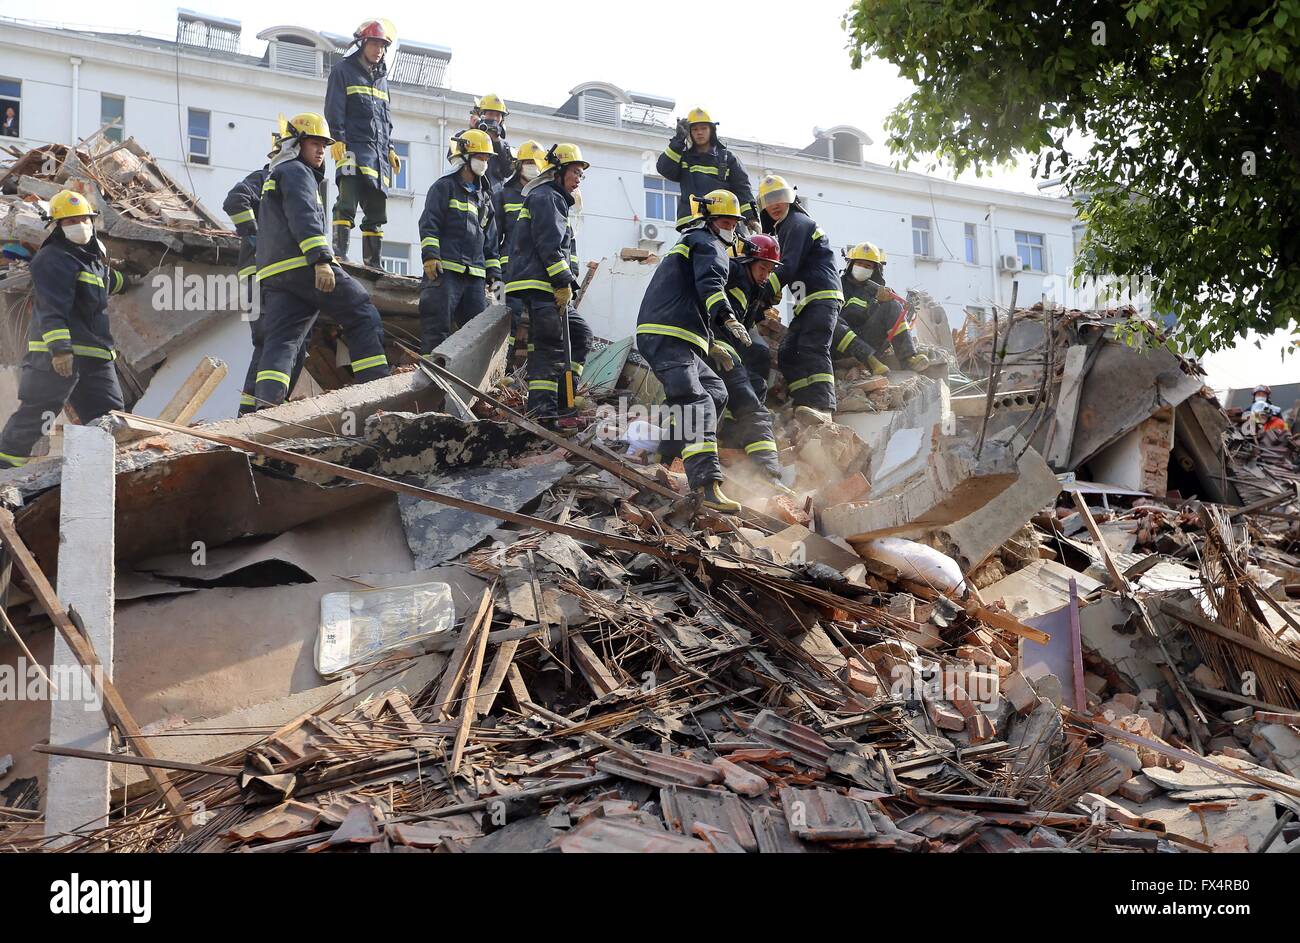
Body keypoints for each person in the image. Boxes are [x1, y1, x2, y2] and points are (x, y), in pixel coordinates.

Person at [251, 112, 390, 408]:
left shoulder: (277, 174)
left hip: (275, 274)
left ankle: (264, 407)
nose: (321, 151)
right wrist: (321, 260)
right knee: (362, 311)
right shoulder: (297, 172)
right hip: (303, 265)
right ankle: (378, 394)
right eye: (314, 143)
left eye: (324, 145)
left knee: (283, 341)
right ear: (296, 144)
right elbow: (303, 218)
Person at [636, 189, 752, 513]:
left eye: (733, 222)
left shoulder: (696, 243)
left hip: (676, 333)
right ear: (709, 220)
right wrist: (727, 318)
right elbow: (710, 286)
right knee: (695, 401)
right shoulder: (707, 243)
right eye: (725, 221)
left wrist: (711, 343)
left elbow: (690, 297)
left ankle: (666, 458)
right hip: (667, 335)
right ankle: (706, 485)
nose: (731, 228)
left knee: (715, 391)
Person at [0, 190, 128, 467]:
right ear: (57, 226)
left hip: (95, 356)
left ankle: (96, 472)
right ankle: (5, 471)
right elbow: (51, 308)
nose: (80, 225)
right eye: (70, 221)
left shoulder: (92, 261)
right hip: (56, 357)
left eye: (83, 218)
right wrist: (60, 350)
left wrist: (131, 281)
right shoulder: (51, 259)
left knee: (110, 416)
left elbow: (107, 282)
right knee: (37, 416)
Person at [504, 143, 592, 425]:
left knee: (580, 335)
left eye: (581, 174)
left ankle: (565, 399)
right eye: (575, 172)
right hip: (540, 283)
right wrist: (563, 281)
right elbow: (548, 245)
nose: (578, 178)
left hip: (547, 283)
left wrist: (565, 282)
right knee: (548, 347)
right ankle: (543, 412)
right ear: (558, 171)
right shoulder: (547, 197)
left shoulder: (555, 199)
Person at [223, 139, 309, 414]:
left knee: (290, 343)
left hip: (275, 273)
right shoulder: (265, 177)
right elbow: (235, 200)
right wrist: (256, 236)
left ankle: (262, 409)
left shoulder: (296, 181)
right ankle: (256, 413)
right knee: (269, 340)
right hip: (259, 274)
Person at [757, 174, 842, 425]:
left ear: (791, 198)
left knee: (814, 347)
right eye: (768, 199)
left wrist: (759, 294)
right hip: (806, 302)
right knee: (788, 352)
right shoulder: (784, 230)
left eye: (779, 197)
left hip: (822, 296)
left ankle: (823, 408)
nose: (774, 204)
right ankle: (804, 403)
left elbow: (787, 266)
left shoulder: (797, 222)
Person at [325, 18, 399, 268]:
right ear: (362, 43)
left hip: (378, 157)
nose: (379, 50)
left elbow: (385, 119)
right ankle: (339, 253)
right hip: (351, 150)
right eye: (375, 44)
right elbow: (334, 108)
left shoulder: (382, 79)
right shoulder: (343, 71)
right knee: (346, 203)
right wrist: (337, 138)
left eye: (382, 46)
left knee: (377, 212)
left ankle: (373, 264)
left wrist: (389, 148)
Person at [715, 234, 786, 487]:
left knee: (755, 379)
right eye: (762, 267)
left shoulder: (751, 288)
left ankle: (734, 441)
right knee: (753, 409)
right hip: (720, 354)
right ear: (746, 262)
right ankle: (769, 474)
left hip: (732, 354)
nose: (766, 274)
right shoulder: (732, 280)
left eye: (770, 269)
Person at [417, 129, 496, 355]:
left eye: (487, 158)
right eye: (480, 156)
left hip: (475, 277)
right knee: (436, 328)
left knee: (475, 335)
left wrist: (495, 276)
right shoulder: (444, 187)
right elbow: (429, 223)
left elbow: (489, 240)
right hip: (446, 272)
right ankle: (430, 382)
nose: (485, 162)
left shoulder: (485, 197)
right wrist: (431, 256)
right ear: (464, 157)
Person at [489, 139, 546, 360]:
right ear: (518, 165)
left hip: (535, 274)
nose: (531, 167)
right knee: (502, 316)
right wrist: (493, 273)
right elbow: (492, 238)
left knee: (537, 322)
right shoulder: (502, 195)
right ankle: (500, 365)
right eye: (527, 162)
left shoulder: (544, 195)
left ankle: (528, 372)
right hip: (505, 273)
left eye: (535, 162)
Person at [656, 108, 758, 231]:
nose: (699, 132)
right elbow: (664, 168)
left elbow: (742, 189)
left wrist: (751, 218)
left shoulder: (727, 158)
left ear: (711, 130)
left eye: (703, 128)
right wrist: (678, 140)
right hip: (692, 222)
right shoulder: (683, 157)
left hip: (724, 222)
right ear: (689, 133)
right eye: (695, 129)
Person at [841, 242, 929, 374]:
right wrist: (876, 304)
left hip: (869, 339)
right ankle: (871, 361)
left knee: (893, 305)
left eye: (868, 266)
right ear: (851, 264)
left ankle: (908, 358)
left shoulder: (881, 291)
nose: (862, 268)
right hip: (843, 344)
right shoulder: (837, 285)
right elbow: (845, 317)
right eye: (859, 263)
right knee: (833, 320)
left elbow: (894, 316)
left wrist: (881, 303)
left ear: (875, 269)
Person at [469, 94, 515, 192]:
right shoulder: (465, 136)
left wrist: (496, 141)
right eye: (490, 113)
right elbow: (453, 158)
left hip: (495, 199)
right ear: (480, 114)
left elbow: (508, 172)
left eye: (498, 115)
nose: (494, 118)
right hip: (471, 192)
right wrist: (473, 132)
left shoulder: (504, 146)